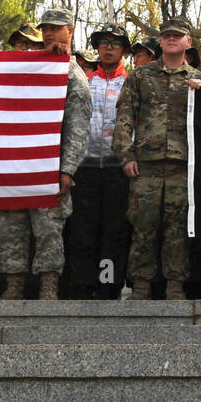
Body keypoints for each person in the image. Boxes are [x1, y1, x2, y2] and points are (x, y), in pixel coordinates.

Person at [0, 8, 91, 300]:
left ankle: (49, 286)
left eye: (56, 28)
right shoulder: (25, 66)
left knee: (48, 229)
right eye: (45, 28)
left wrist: (68, 170)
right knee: (10, 227)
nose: (49, 33)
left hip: (50, 166)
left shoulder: (72, 74)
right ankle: (14, 285)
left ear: (70, 31)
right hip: (12, 165)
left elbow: (78, 127)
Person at [112, 17, 201, 300]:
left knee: (178, 228)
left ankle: (174, 285)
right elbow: (124, 118)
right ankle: (141, 285)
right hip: (147, 166)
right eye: (166, 35)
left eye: (178, 36)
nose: (171, 39)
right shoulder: (140, 76)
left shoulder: (200, 80)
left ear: (188, 42)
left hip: (183, 166)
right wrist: (125, 155)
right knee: (143, 226)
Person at [69, 22, 132, 299]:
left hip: (119, 169)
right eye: (103, 43)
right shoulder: (84, 81)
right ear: (96, 48)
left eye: (114, 43)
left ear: (124, 50)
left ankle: (109, 285)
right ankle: (83, 285)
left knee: (115, 232)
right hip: (85, 167)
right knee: (83, 230)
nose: (108, 48)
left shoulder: (134, 81)